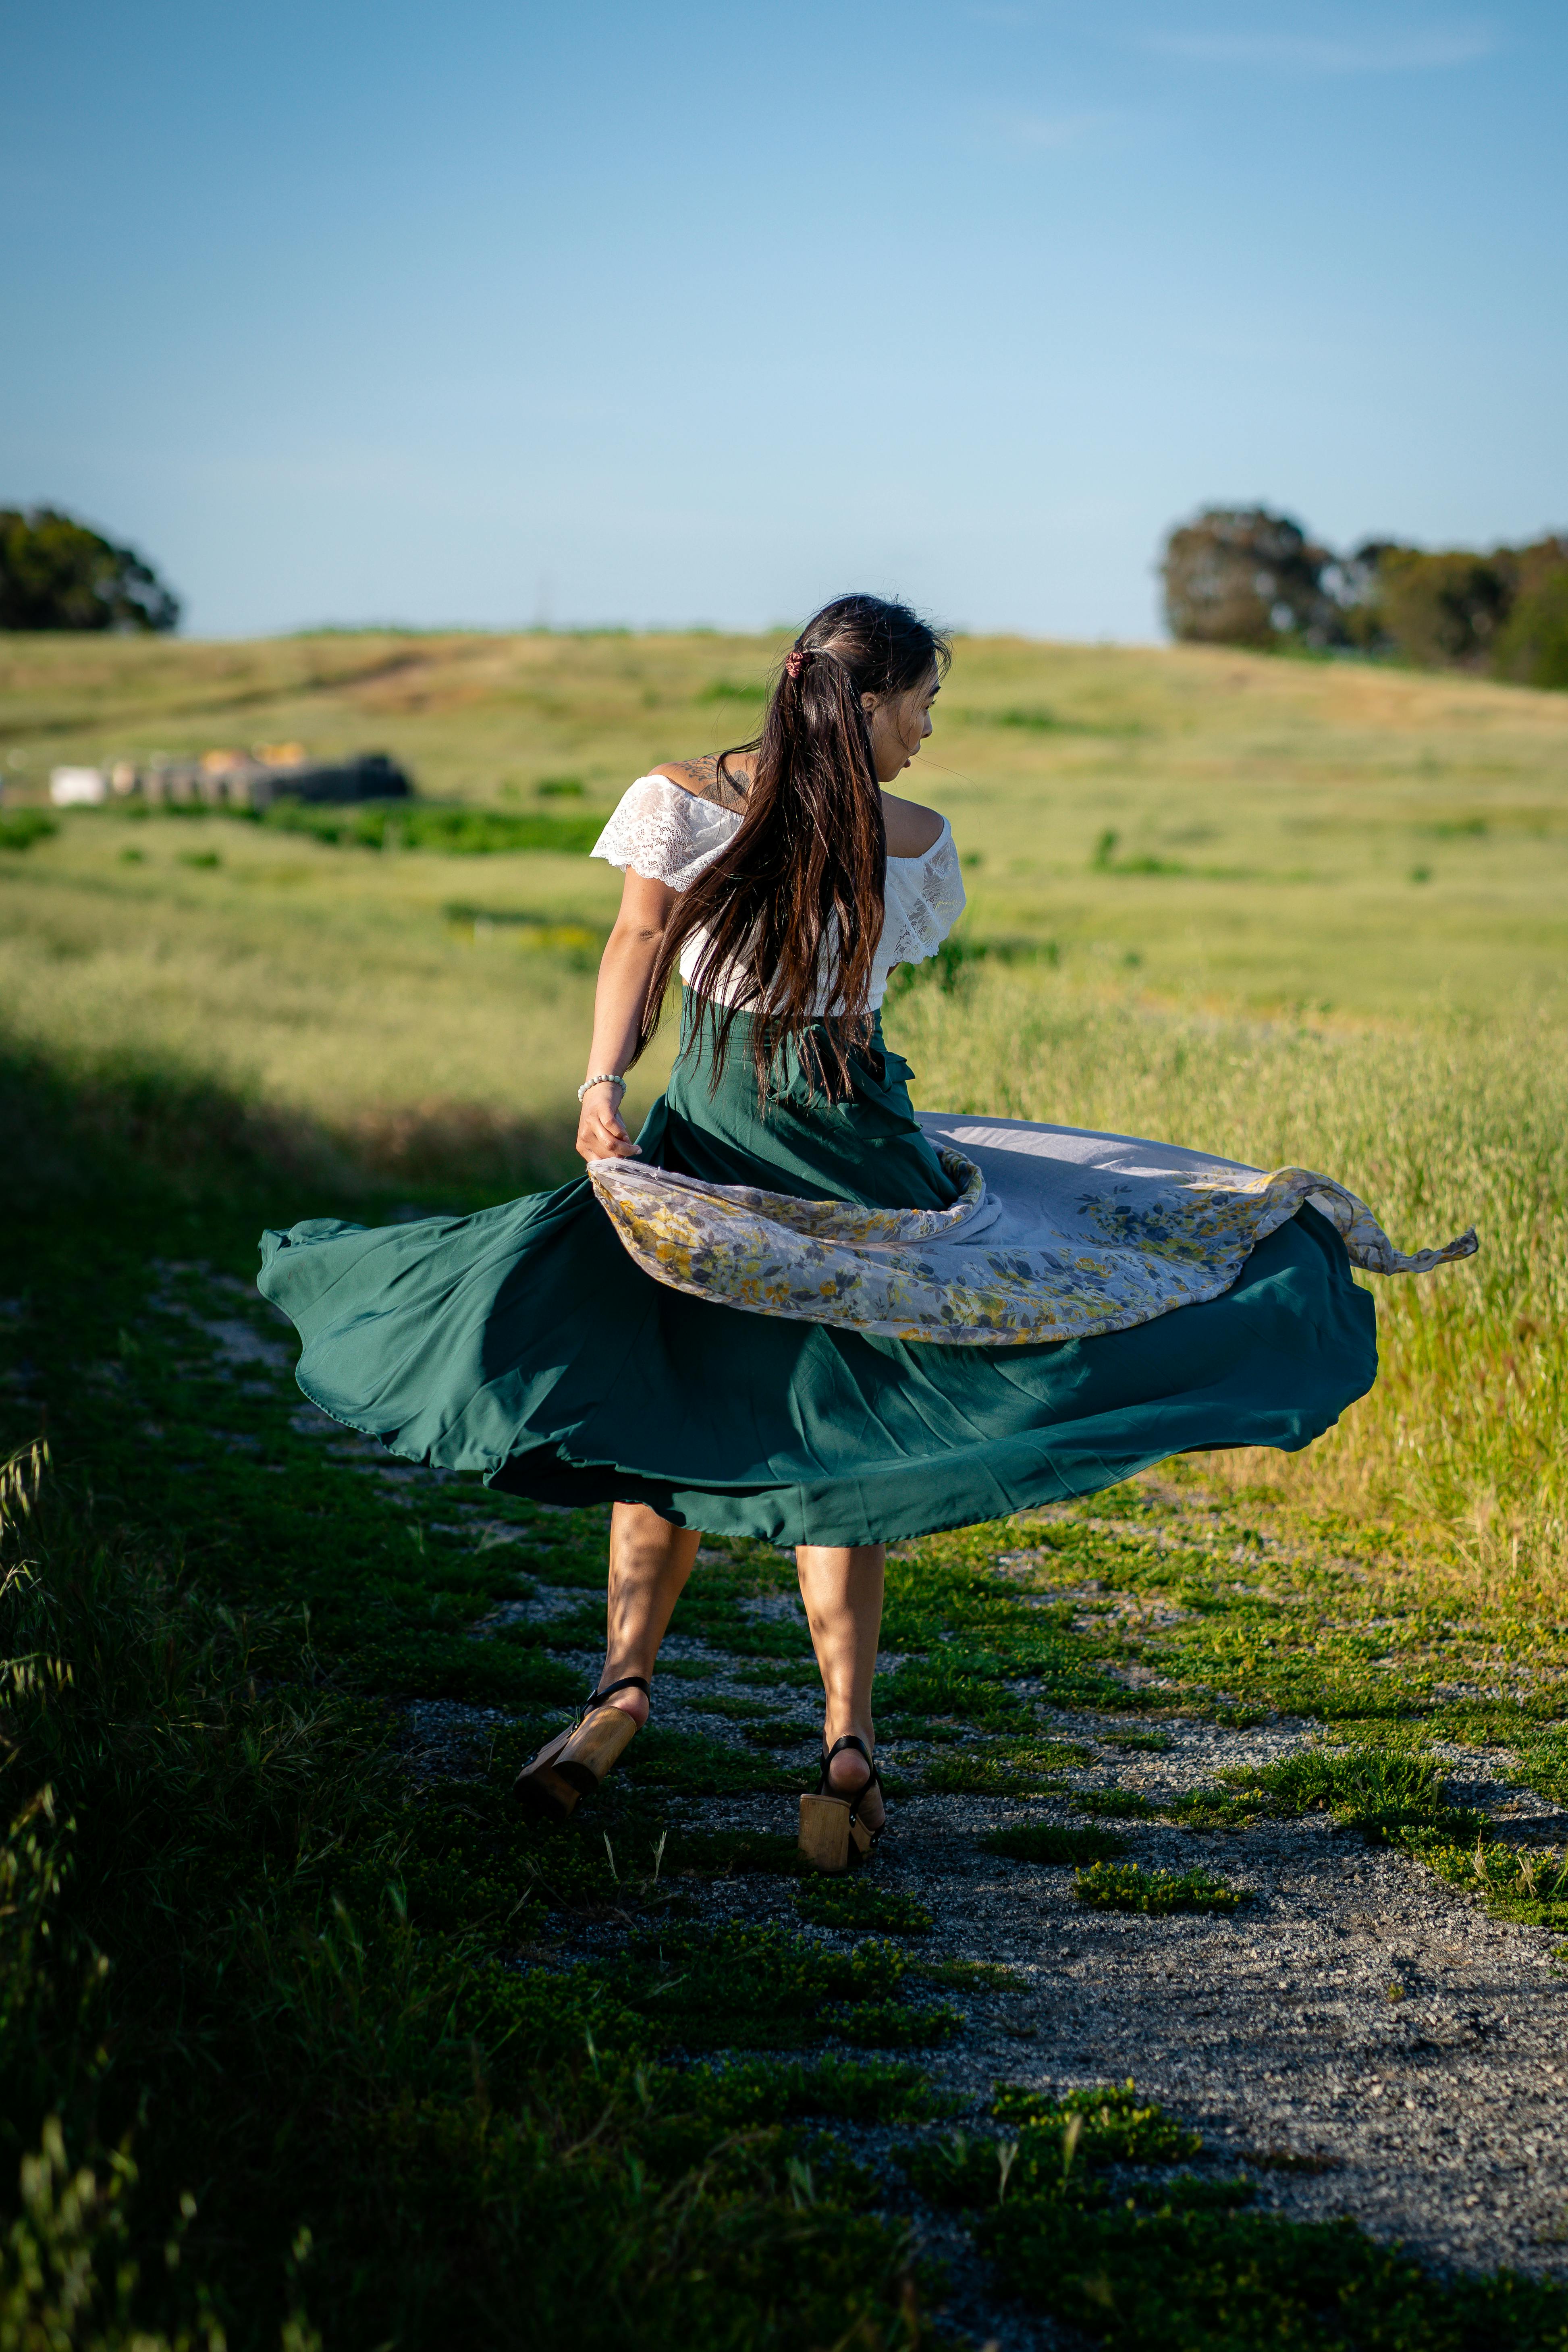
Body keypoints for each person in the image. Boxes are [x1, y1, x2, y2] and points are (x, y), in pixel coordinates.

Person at [258, 592, 1473, 1872]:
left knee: (665, 1404)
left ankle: (618, 1696)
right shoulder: (914, 841)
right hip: (853, 1150)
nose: (928, 733)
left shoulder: (684, 798)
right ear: (869, 701)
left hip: (715, 1138)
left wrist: (599, 1086)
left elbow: (637, 942)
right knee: (847, 1441)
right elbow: (832, 1000)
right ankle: (846, 1749)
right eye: (923, 706)